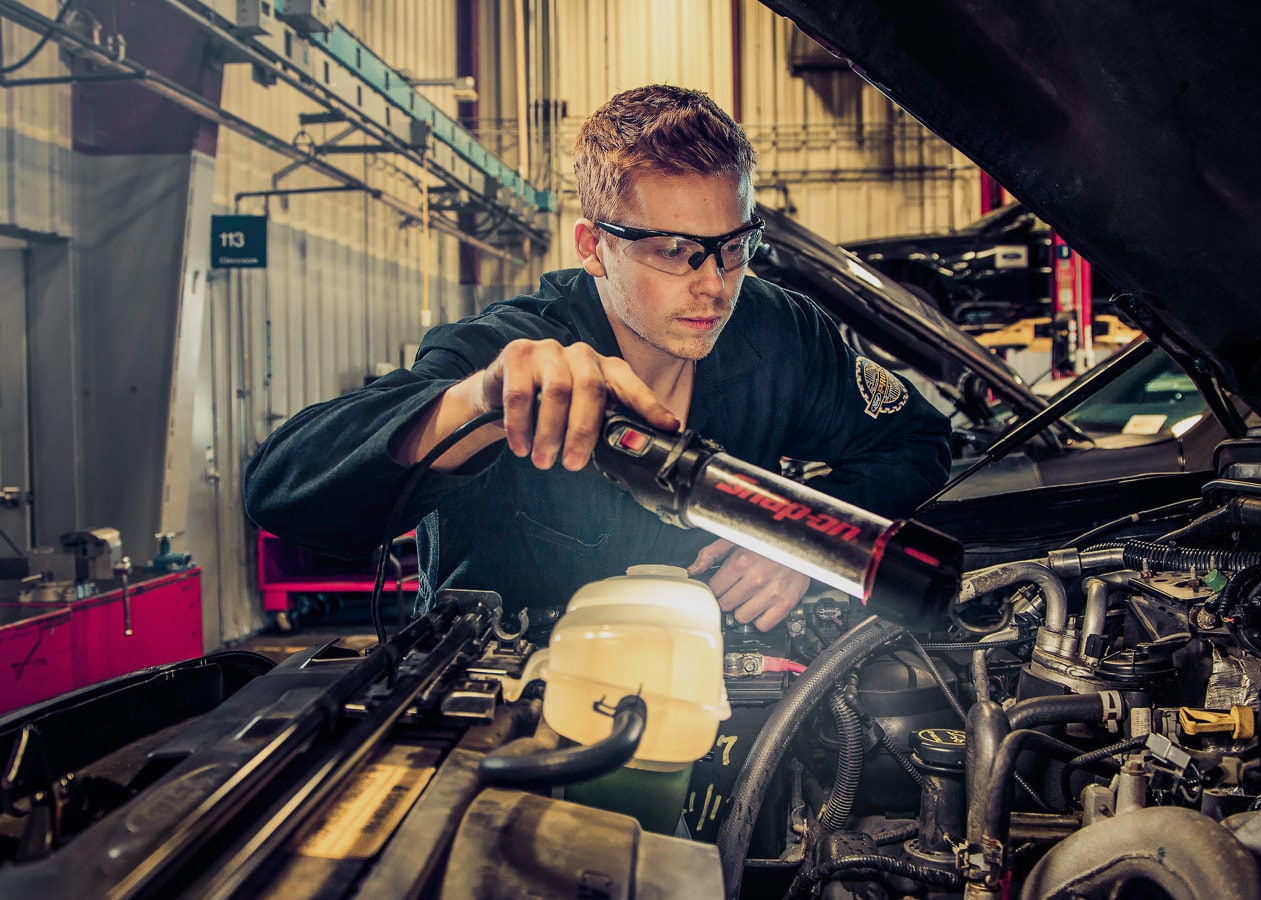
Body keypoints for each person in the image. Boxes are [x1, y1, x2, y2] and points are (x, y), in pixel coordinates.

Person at [244, 85, 951, 633]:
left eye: (734, 246)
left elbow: (916, 442)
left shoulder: (780, 336)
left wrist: (805, 546)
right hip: (513, 730)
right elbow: (280, 490)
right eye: (674, 251)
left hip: (713, 705)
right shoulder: (503, 351)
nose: (714, 282)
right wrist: (478, 406)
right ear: (592, 247)